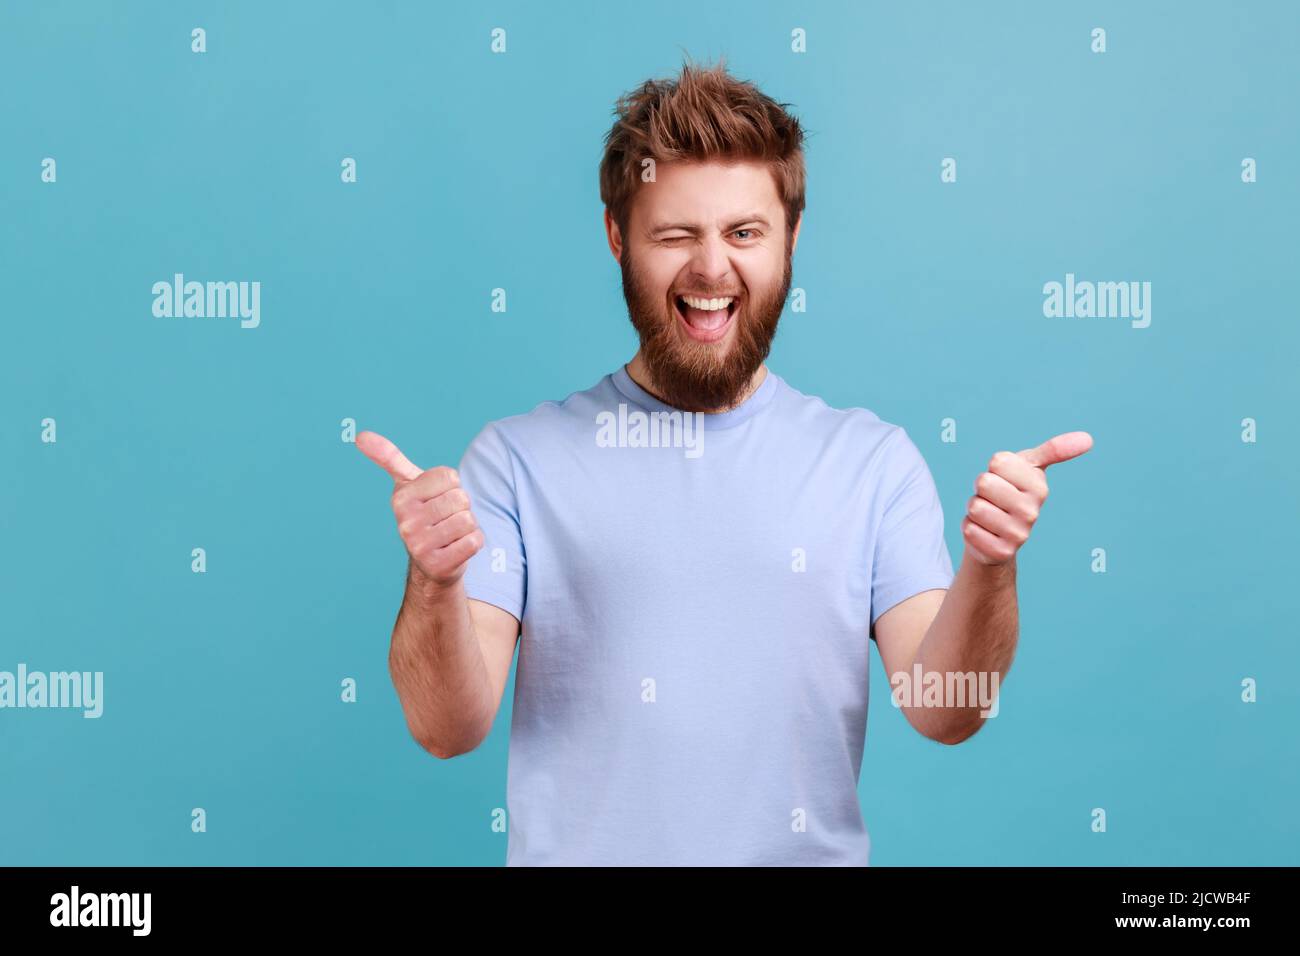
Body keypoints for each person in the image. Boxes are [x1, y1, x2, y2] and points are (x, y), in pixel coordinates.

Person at [358, 59, 1092, 866]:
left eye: (744, 233)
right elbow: (445, 729)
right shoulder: (515, 463)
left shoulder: (872, 465)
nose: (711, 268)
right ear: (617, 237)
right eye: (676, 235)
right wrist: (434, 582)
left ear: (792, 239)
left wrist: (990, 567)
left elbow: (944, 711)